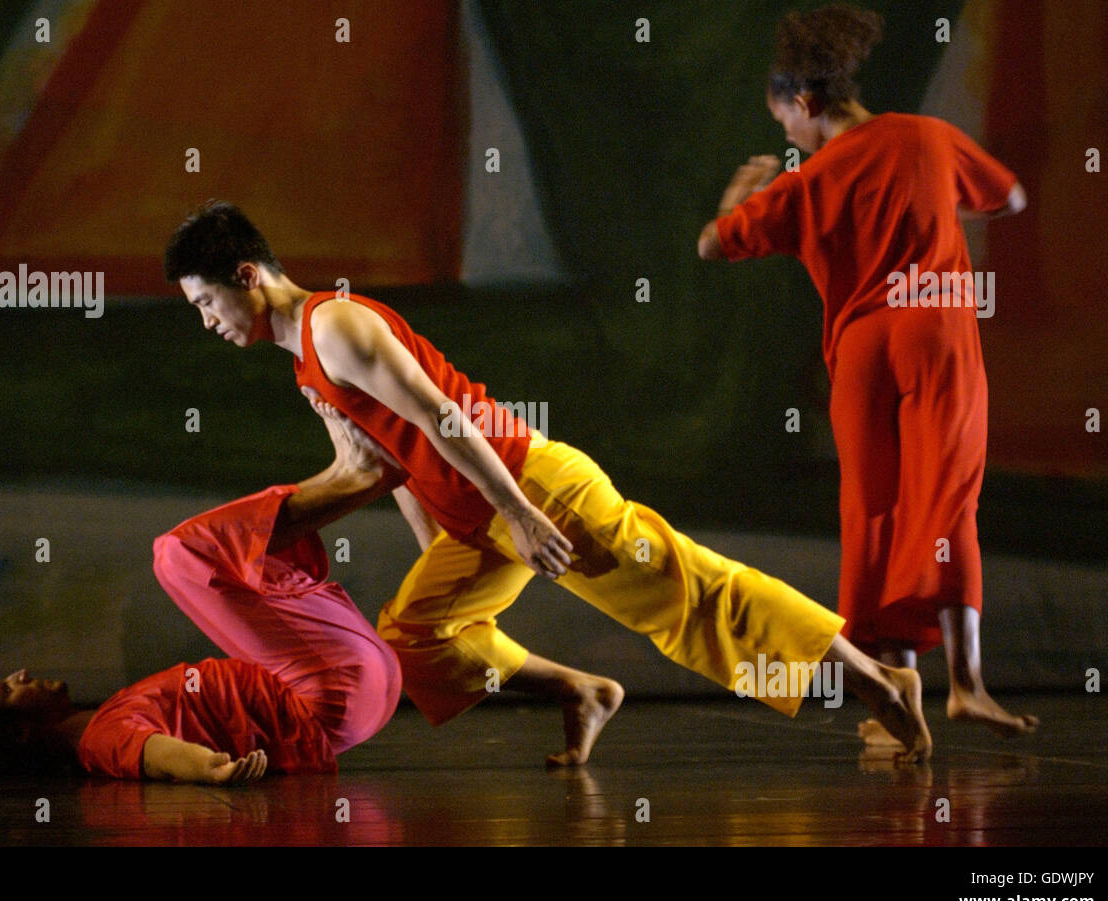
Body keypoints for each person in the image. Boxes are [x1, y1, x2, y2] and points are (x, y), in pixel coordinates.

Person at [162, 201, 933, 764]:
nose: (207, 321)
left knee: (684, 592)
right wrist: (439, 543)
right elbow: (389, 461)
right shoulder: (307, 360)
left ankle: (876, 679)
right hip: (481, 518)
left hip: (533, 488)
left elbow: (441, 418)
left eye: (206, 302)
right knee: (416, 641)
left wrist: (521, 513)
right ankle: (583, 691)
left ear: (247, 275)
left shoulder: (335, 326)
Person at [697, 3, 1037, 747]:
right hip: (934, 332)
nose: (786, 136)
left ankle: (890, 693)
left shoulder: (803, 183)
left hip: (859, 355)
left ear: (807, 100)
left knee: (871, 516)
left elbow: (713, 245)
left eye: (785, 120)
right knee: (945, 500)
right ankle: (968, 686)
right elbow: (1009, 196)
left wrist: (741, 195)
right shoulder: (927, 137)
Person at [0, 403, 415, 782]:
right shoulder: (102, 741)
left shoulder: (107, 719)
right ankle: (361, 474)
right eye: (7, 688)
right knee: (179, 556)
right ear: (18, 731)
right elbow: (158, 757)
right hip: (329, 693)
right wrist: (208, 768)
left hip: (359, 692)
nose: (20, 673)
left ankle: (365, 470)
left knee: (248, 564)